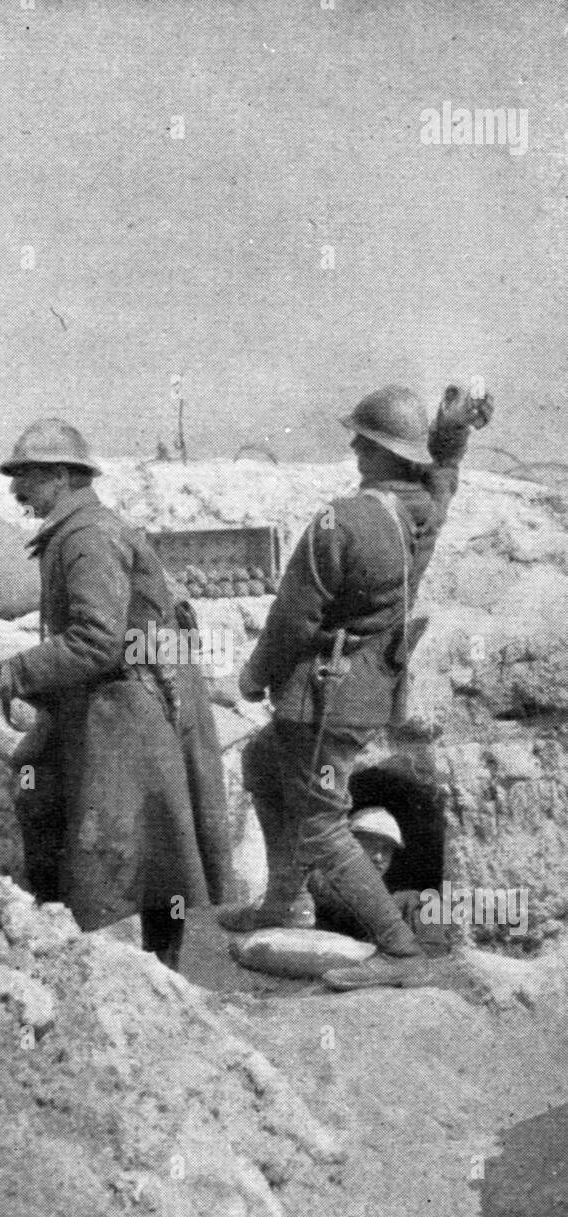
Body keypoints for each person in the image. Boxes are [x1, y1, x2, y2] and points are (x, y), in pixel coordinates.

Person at [221, 382, 493, 989]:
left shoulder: (339, 521)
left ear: (379, 452)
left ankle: (398, 951)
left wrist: (253, 675)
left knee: (321, 820)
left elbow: (294, 618)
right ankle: (281, 905)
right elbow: (446, 468)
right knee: (265, 759)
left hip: (326, 695)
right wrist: (454, 434)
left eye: (363, 440)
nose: (352, 446)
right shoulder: (427, 508)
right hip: (371, 685)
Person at [0, 417, 232, 969]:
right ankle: (72, 933)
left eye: (28, 477)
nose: (16, 491)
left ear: (64, 477)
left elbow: (97, 641)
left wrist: (20, 671)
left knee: (154, 837)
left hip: (136, 703)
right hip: (124, 695)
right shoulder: (77, 531)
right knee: (55, 790)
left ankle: (148, 967)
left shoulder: (89, 537)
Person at [310, 806, 448, 957]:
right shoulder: (317, 881)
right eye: (370, 845)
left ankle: (429, 963)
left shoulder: (405, 902)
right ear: (348, 845)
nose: (379, 857)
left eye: (386, 850)